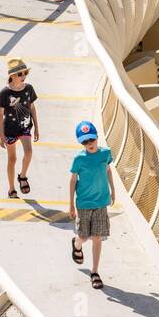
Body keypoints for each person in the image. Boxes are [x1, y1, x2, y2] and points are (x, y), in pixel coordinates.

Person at [69, 120, 114, 290]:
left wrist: (113, 190)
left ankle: (95, 272)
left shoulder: (106, 154)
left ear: (97, 137)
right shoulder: (79, 159)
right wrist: (71, 205)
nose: (89, 144)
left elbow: (108, 170)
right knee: (84, 236)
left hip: (101, 201)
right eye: (85, 141)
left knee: (97, 237)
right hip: (84, 203)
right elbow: (73, 180)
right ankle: (76, 244)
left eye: (92, 140)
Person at [0, 60, 39, 198]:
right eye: (20, 73)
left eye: (25, 73)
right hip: (9, 130)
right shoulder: (5, 92)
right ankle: (11, 189)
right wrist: (1, 135)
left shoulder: (29, 89)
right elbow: (0, 114)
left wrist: (37, 127)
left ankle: (23, 176)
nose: (24, 76)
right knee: (12, 159)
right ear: (12, 76)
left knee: (29, 152)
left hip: (25, 127)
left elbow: (32, 107)